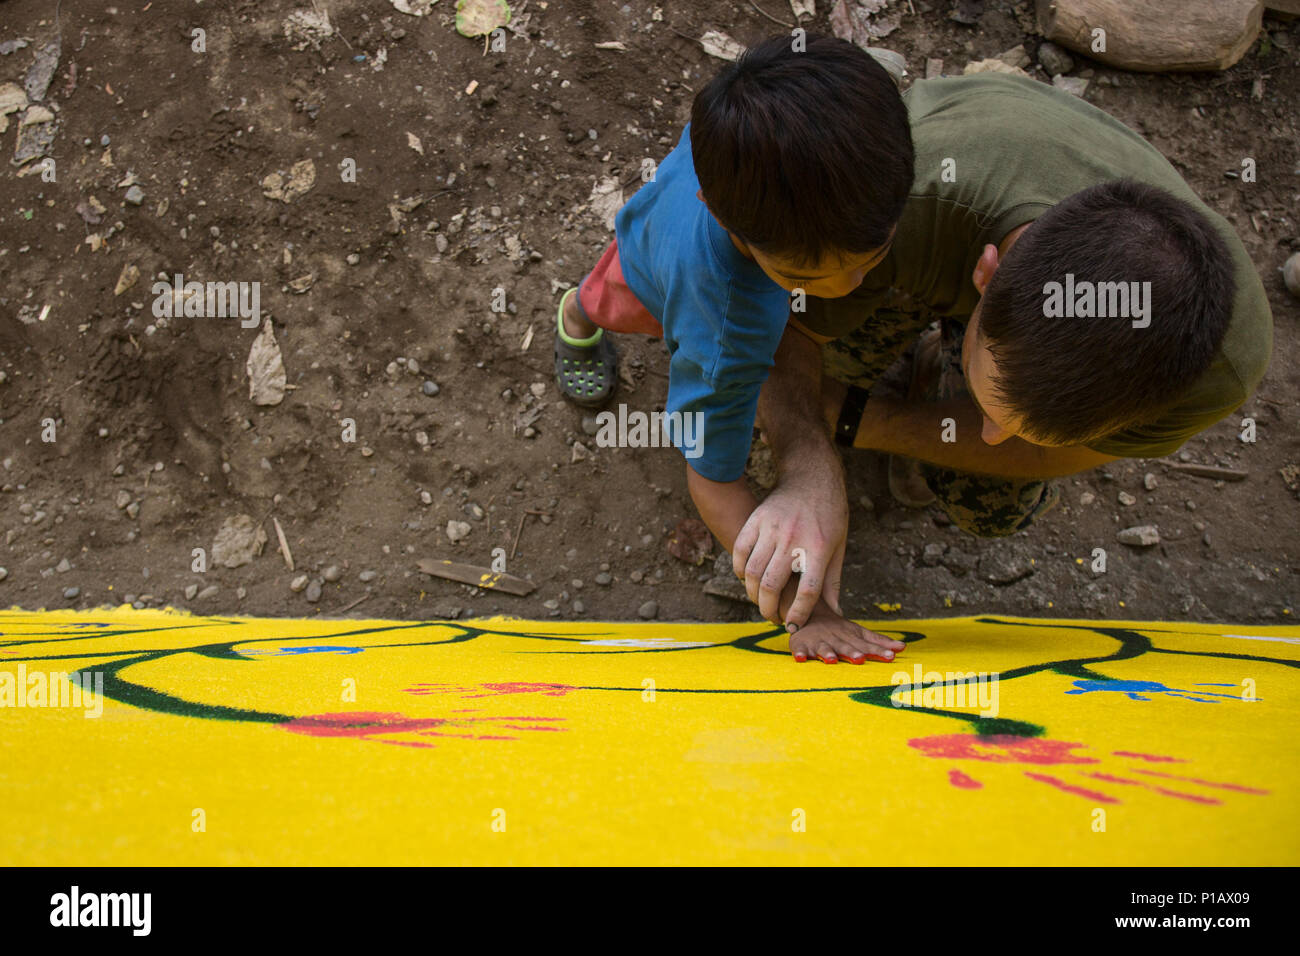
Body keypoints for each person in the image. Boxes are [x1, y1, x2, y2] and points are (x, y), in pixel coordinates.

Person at [740, 73, 1272, 663]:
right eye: (991, 408)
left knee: (987, 500)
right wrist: (808, 460)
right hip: (931, 213)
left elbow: (1061, 454)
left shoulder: (1219, 368)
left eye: (1014, 427)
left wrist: (853, 422)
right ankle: (934, 348)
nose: (992, 437)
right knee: (822, 353)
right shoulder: (896, 207)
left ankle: (937, 369)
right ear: (985, 276)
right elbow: (773, 329)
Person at [554, 33, 914, 663]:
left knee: (615, 262)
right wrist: (810, 613)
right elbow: (712, 480)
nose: (857, 286)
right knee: (602, 300)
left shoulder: (742, 129)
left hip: (661, 211)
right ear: (728, 221)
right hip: (652, 277)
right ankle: (574, 324)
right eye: (816, 277)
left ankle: (584, 309)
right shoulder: (726, 336)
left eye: (873, 254)